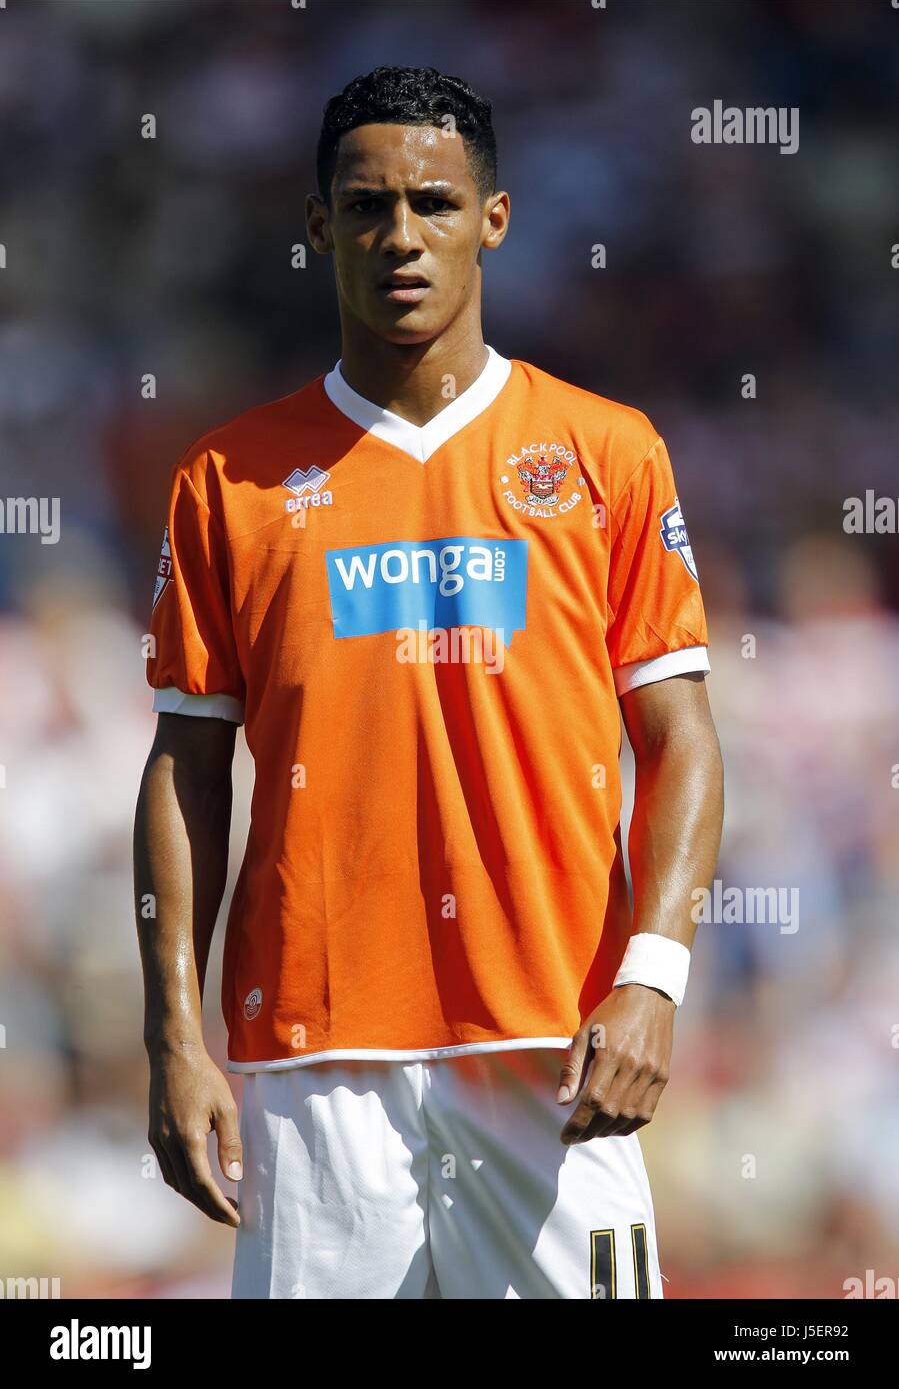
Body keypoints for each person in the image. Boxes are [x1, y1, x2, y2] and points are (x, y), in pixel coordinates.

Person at [134, 65, 724, 1300]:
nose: (400, 236)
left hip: (554, 1047)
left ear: (491, 220)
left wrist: (651, 980)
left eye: (434, 204)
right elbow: (185, 767)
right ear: (318, 227)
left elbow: (677, 740)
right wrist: (175, 1039)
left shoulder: (604, 451)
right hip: (313, 1058)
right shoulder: (228, 478)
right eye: (364, 207)